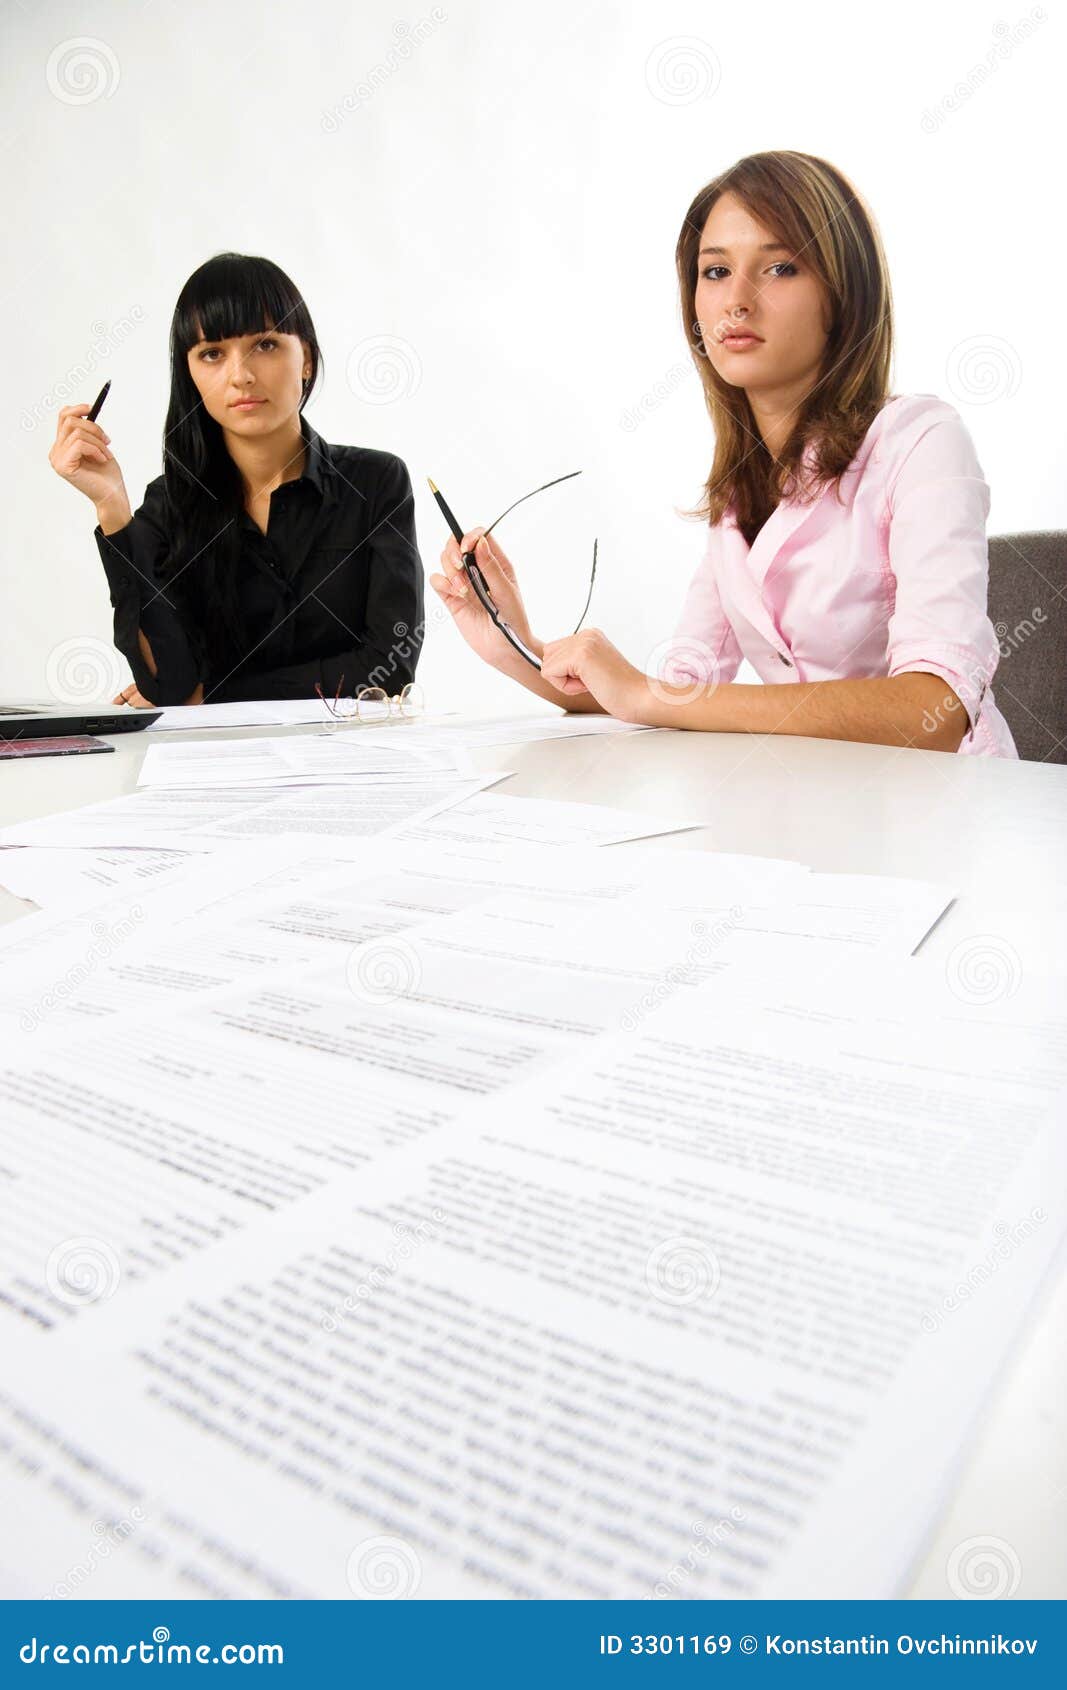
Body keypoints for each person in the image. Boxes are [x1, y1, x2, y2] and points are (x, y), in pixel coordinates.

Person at [430, 151, 1016, 757]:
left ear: (844, 294)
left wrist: (645, 693)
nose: (737, 300)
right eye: (714, 272)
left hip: (948, 813)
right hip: (824, 806)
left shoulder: (921, 441)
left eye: (781, 267)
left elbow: (936, 710)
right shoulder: (742, 485)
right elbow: (679, 694)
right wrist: (514, 641)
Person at [49, 253, 424, 706]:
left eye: (265, 345)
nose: (240, 376)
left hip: (351, 761)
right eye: (212, 354)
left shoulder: (376, 482)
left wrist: (216, 695)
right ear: (189, 373)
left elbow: (390, 668)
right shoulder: (170, 503)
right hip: (208, 767)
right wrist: (112, 508)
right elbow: (167, 685)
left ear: (306, 357)